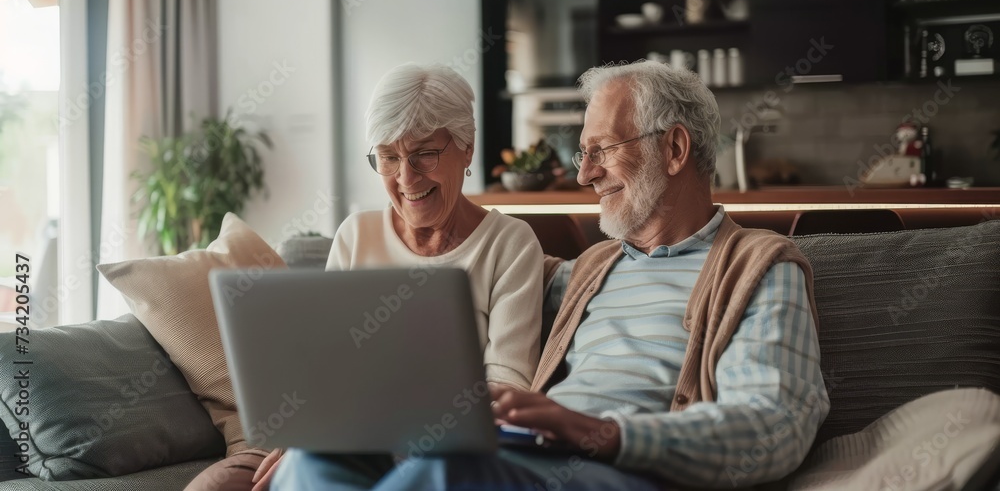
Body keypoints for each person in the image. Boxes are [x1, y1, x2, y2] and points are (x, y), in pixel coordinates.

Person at [268, 60, 830, 490]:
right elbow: (466, 285)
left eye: (601, 150)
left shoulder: (757, 266)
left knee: (444, 470)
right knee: (313, 461)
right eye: (583, 153)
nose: (585, 175)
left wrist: (599, 432)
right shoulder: (586, 271)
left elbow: (773, 427)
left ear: (675, 148)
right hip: (524, 454)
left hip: (621, 470)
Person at [246, 63, 544, 490]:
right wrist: (305, 432)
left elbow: (509, 387)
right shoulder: (356, 235)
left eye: (424, 154)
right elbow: (327, 370)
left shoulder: (509, 243)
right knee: (301, 465)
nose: (406, 178)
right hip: (356, 442)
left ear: (467, 147)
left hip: (448, 453)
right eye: (388, 157)